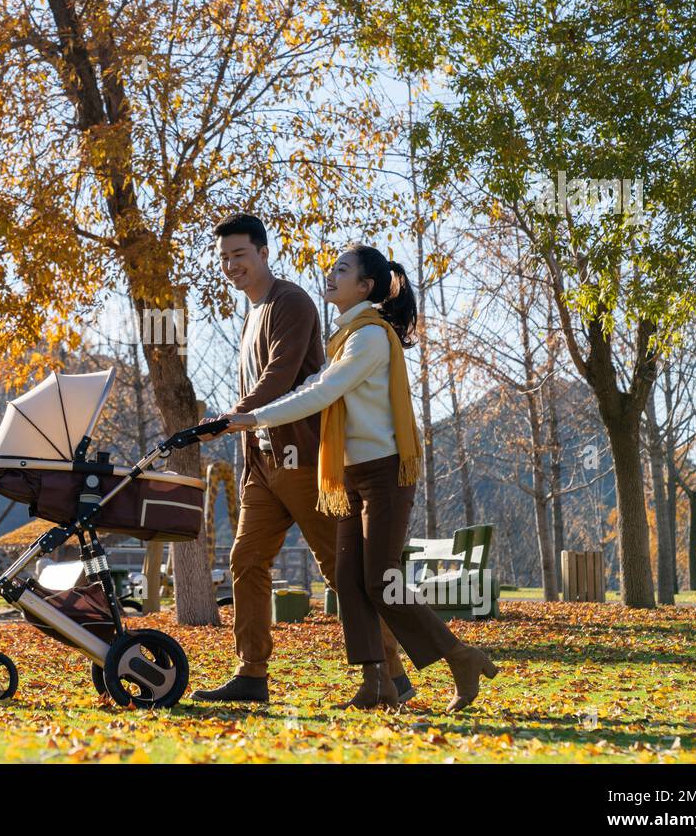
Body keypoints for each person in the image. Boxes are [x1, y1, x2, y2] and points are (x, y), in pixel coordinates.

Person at [221, 244, 499, 711]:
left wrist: (254, 418)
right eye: (332, 269)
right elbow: (314, 385)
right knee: (350, 580)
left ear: (365, 287)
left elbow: (325, 391)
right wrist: (259, 416)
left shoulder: (370, 337)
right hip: (349, 474)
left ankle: (459, 655)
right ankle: (378, 684)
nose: (331, 275)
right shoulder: (347, 337)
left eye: (342, 271)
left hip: (385, 474)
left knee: (380, 580)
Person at [191, 215, 413, 704]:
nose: (231, 265)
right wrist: (244, 436)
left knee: (339, 569)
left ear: (264, 253)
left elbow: (281, 376)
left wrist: (234, 417)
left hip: (303, 459)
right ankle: (251, 673)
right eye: (225, 257)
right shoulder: (251, 313)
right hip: (262, 464)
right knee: (245, 561)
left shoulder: (290, 301)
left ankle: (391, 674)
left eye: (240, 255)